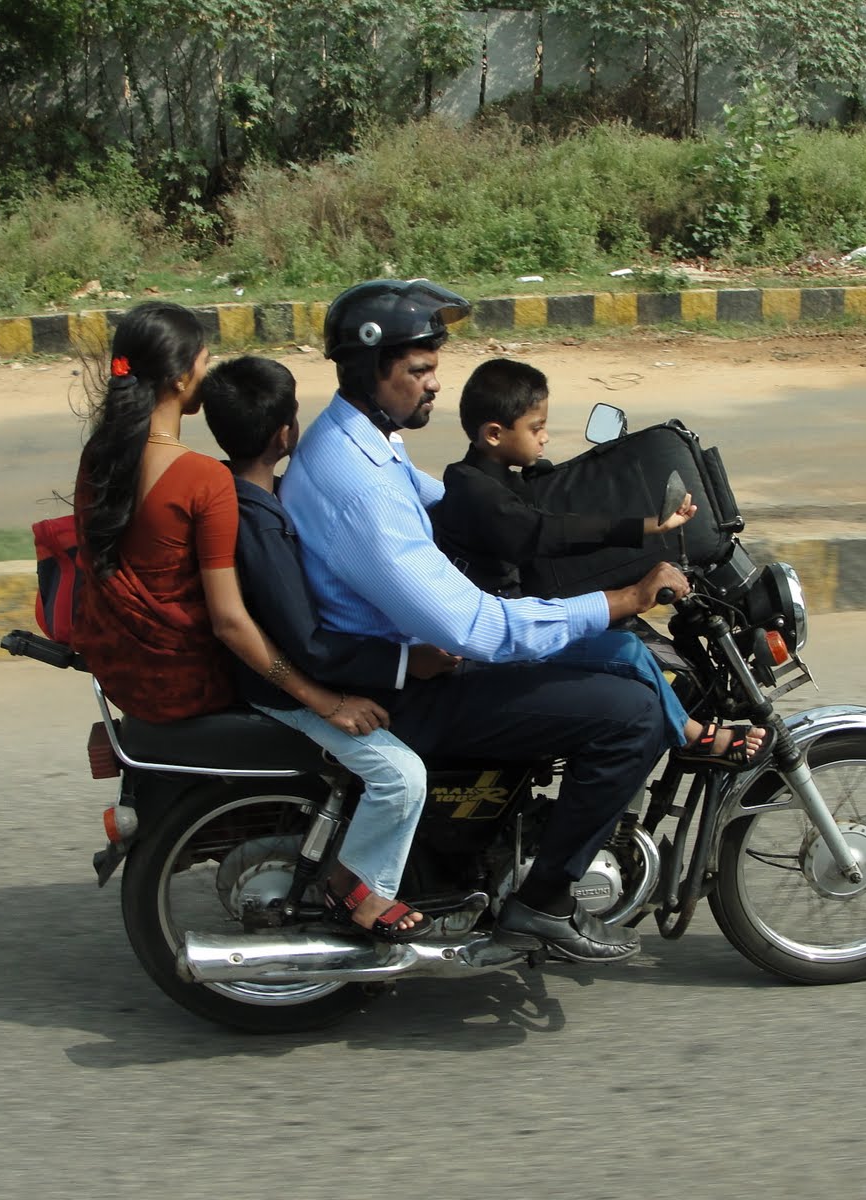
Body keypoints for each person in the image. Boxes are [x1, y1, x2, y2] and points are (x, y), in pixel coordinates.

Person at [279, 279, 694, 965]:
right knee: (631, 716)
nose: (435, 385)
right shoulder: (360, 488)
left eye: (435, 368)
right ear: (367, 371)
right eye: (418, 371)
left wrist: (587, 529)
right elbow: (480, 629)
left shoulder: (359, 442)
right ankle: (546, 900)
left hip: (418, 659)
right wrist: (619, 601)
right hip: (413, 688)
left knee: (610, 657)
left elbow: (448, 502)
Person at [71, 302, 428, 942]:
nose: (208, 376)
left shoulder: (102, 457)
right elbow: (233, 624)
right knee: (400, 772)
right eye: (204, 363)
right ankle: (360, 891)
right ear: (180, 380)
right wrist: (325, 700)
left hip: (135, 674)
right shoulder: (204, 481)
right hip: (198, 680)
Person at [199, 355, 460, 941]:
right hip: (283, 686)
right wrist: (400, 664)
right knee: (401, 777)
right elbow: (308, 643)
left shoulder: (263, 495)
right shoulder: (258, 523)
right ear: (284, 433)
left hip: (290, 672)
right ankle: (354, 887)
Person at [433, 356, 771, 770]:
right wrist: (647, 527)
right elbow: (546, 532)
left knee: (627, 638)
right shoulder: (474, 490)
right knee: (627, 652)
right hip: (499, 642)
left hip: (519, 624)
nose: (545, 438)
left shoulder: (504, 477)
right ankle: (692, 736)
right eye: (536, 428)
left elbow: (557, 515)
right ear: (494, 434)